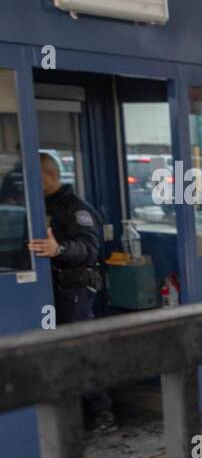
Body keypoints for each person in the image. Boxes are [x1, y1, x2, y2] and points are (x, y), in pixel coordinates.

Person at [28, 152, 115, 433]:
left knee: (80, 349)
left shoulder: (76, 209)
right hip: (45, 289)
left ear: (50, 176)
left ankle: (102, 412)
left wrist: (59, 249)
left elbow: (88, 248)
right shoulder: (32, 204)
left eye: (35, 176)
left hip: (73, 289)